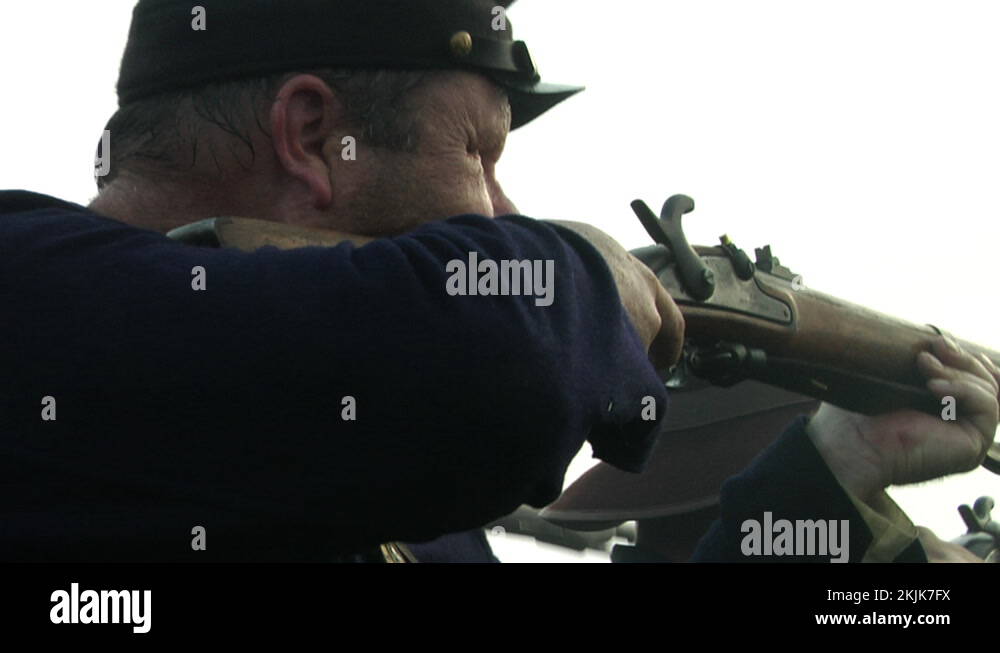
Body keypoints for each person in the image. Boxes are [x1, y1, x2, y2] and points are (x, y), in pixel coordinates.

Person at [1, 0, 996, 563]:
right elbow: (504, 348)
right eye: (478, 152)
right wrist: (590, 273)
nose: (503, 213)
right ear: (315, 139)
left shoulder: (368, 468)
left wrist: (828, 470)